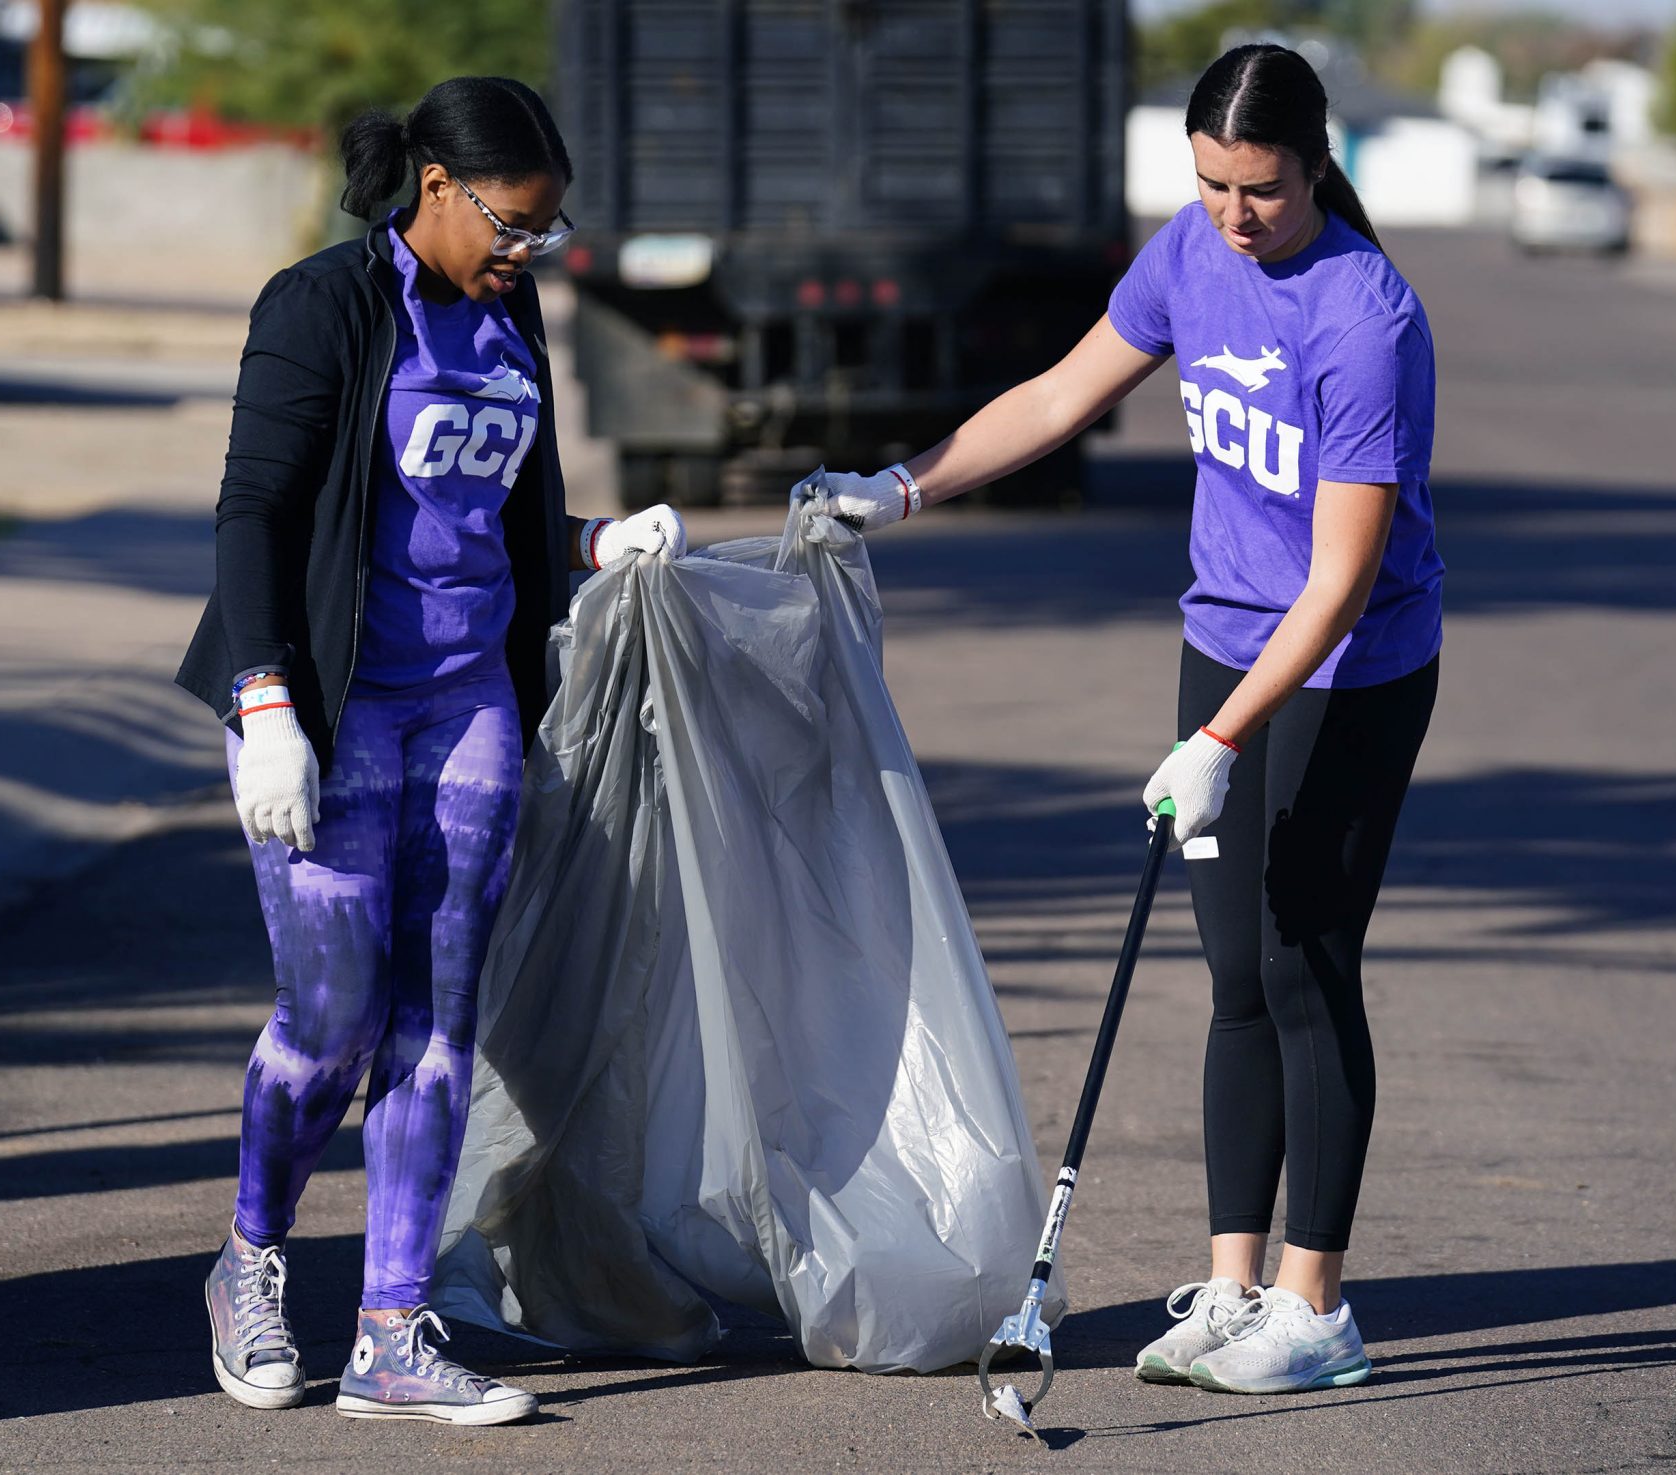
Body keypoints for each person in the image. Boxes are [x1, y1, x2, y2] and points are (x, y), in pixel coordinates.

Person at [793, 43, 1441, 1396]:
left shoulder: (1364, 319)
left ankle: (1317, 1313)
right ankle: (1232, 1283)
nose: (1232, 214)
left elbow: (1342, 581)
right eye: (1211, 183)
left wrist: (1216, 745)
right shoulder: (1188, 257)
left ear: (1316, 168)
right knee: (1233, 977)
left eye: (1258, 188)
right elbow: (1059, 394)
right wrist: (903, 491)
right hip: (1223, 643)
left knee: (1305, 965)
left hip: (1346, 673)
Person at [174, 75, 688, 1426]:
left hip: (469, 705)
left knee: (438, 1027)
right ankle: (248, 1264)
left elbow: (513, 503)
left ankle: (394, 1333)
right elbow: (254, 516)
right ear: (440, 188)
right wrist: (265, 701)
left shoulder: (507, 309)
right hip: (331, 709)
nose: (532, 252)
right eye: (517, 224)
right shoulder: (325, 304)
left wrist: (594, 546)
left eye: (549, 233)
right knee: (331, 1019)